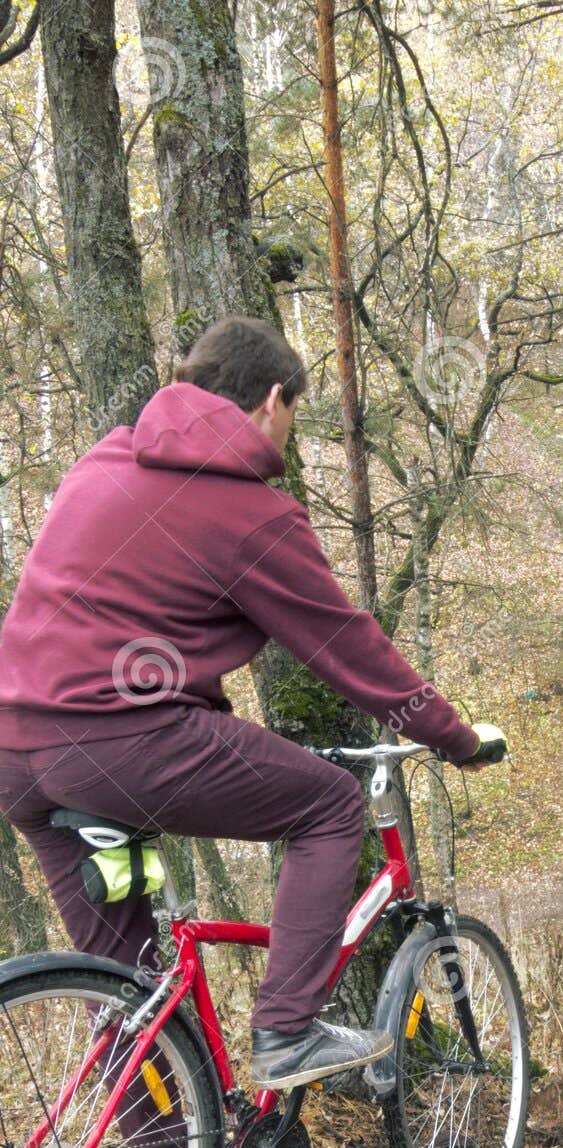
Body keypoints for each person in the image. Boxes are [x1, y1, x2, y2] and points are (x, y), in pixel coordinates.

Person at [0, 316, 497, 1090]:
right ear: (273, 399)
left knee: (126, 987)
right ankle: (287, 1033)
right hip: (114, 741)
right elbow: (345, 645)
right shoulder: (248, 511)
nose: (291, 435)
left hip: (16, 750)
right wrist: (451, 736)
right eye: (295, 414)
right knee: (330, 806)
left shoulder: (102, 460)